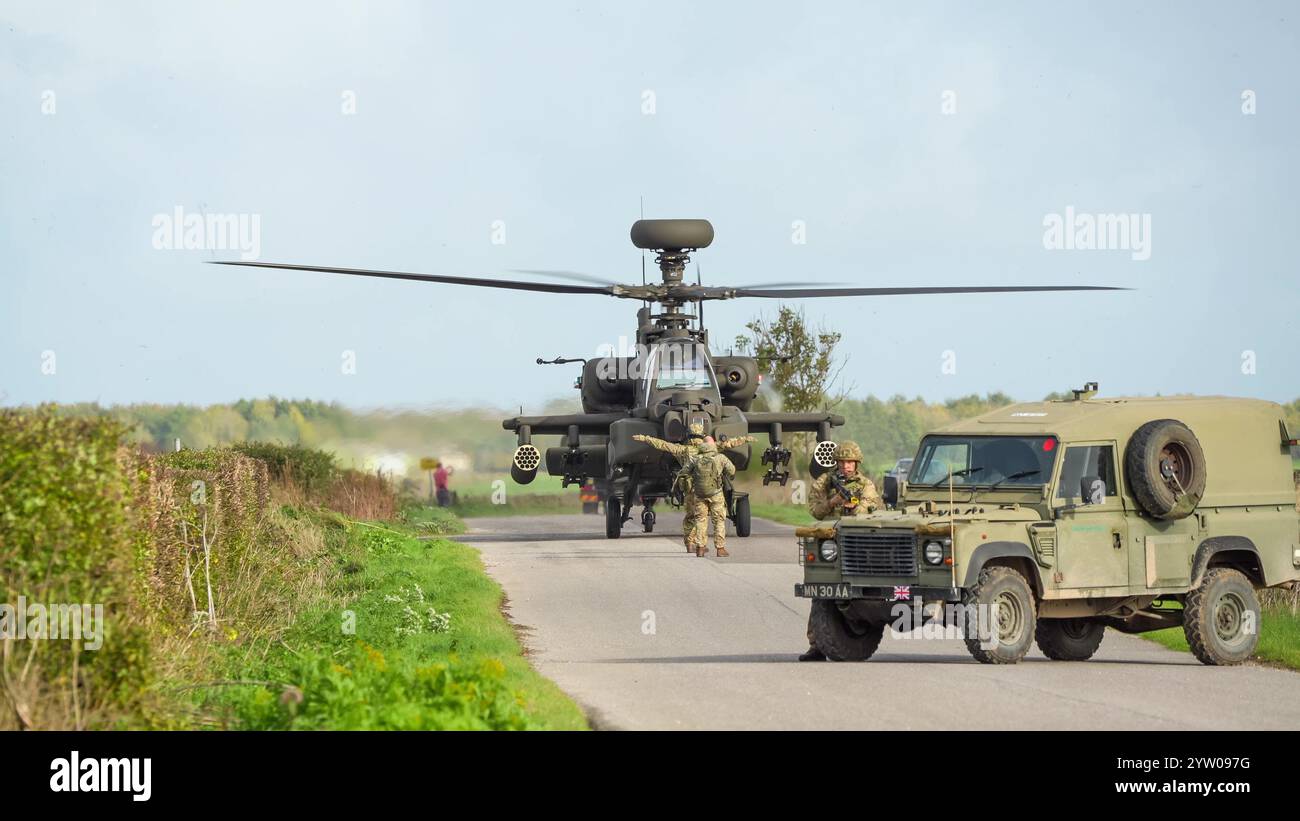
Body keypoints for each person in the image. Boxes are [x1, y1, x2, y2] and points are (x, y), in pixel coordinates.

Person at [800, 440, 883, 661]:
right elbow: (815, 511)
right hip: (831, 543)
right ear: (836, 462)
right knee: (821, 594)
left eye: (850, 462)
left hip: (858, 543)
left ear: (857, 463)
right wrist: (832, 501)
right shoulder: (825, 482)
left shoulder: (866, 485)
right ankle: (816, 644)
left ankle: (857, 631)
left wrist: (854, 507)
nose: (846, 466)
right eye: (842, 461)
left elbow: (870, 509)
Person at [634, 425, 753, 553]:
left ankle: (690, 544)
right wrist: (744, 439)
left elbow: (662, 444)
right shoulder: (711, 448)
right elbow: (728, 444)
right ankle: (712, 547)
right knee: (713, 518)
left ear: (688, 436)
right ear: (702, 436)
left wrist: (645, 438)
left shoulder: (682, 449)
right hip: (711, 488)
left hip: (690, 489)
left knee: (692, 517)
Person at [684, 437, 736, 557]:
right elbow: (732, 471)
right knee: (718, 521)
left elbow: (684, 471)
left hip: (699, 494)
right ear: (713, 445)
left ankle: (700, 548)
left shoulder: (695, 458)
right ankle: (720, 549)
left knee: (700, 521)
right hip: (716, 494)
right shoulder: (720, 458)